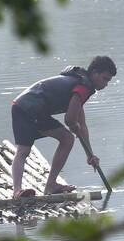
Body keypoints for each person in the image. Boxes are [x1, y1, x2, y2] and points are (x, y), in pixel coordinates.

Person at [9, 55, 115, 198]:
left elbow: (81, 124)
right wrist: (73, 125)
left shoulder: (81, 83)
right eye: (105, 79)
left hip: (19, 106)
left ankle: (17, 191)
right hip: (32, 108)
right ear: (94, 73)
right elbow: (70, 119)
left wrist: (90, 155)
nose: (106, 84)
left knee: (23, 150)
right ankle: (49, 185)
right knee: (67, 139)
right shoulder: (83, 87)